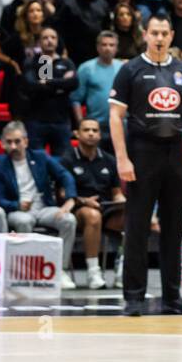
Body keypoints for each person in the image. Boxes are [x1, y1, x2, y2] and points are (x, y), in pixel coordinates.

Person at [107, 14, 182, 315]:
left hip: (176, 153)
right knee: (137, 225)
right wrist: (122, 158)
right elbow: (115, 117)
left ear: (172, 35)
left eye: (164, 33)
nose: (160, 38)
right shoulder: (130, 70)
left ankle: (171, 296)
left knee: (174, 226)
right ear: (145, 35)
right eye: (154, 33)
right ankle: (134, 297)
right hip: (142, 152)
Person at [0, 121, 80, 289]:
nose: (14, 146)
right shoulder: (0, 167)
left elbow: (65, 176)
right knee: (24, 221)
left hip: (43, 208)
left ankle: (61, 270)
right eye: (9, 142)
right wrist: (16, 204)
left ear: (26, 141)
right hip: (18, 210)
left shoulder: (40, 157)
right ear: (3, 143)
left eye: (17, 141)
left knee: (69, 219)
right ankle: (25, 271)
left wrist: (70, 199)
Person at [59, 118, 125, 290]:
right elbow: (62, 193)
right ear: (77, 134)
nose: (91, 133)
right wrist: (84, 200)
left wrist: (123, 202)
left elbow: (116, 193)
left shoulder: (109, 160)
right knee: (92, 216)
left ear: (100, 135)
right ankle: (93, 272)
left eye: (95, 130)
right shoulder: (67, 159)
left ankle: (123, 270)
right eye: (86, 130)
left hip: (106, 208)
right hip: (77, 208)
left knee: (133, 218)